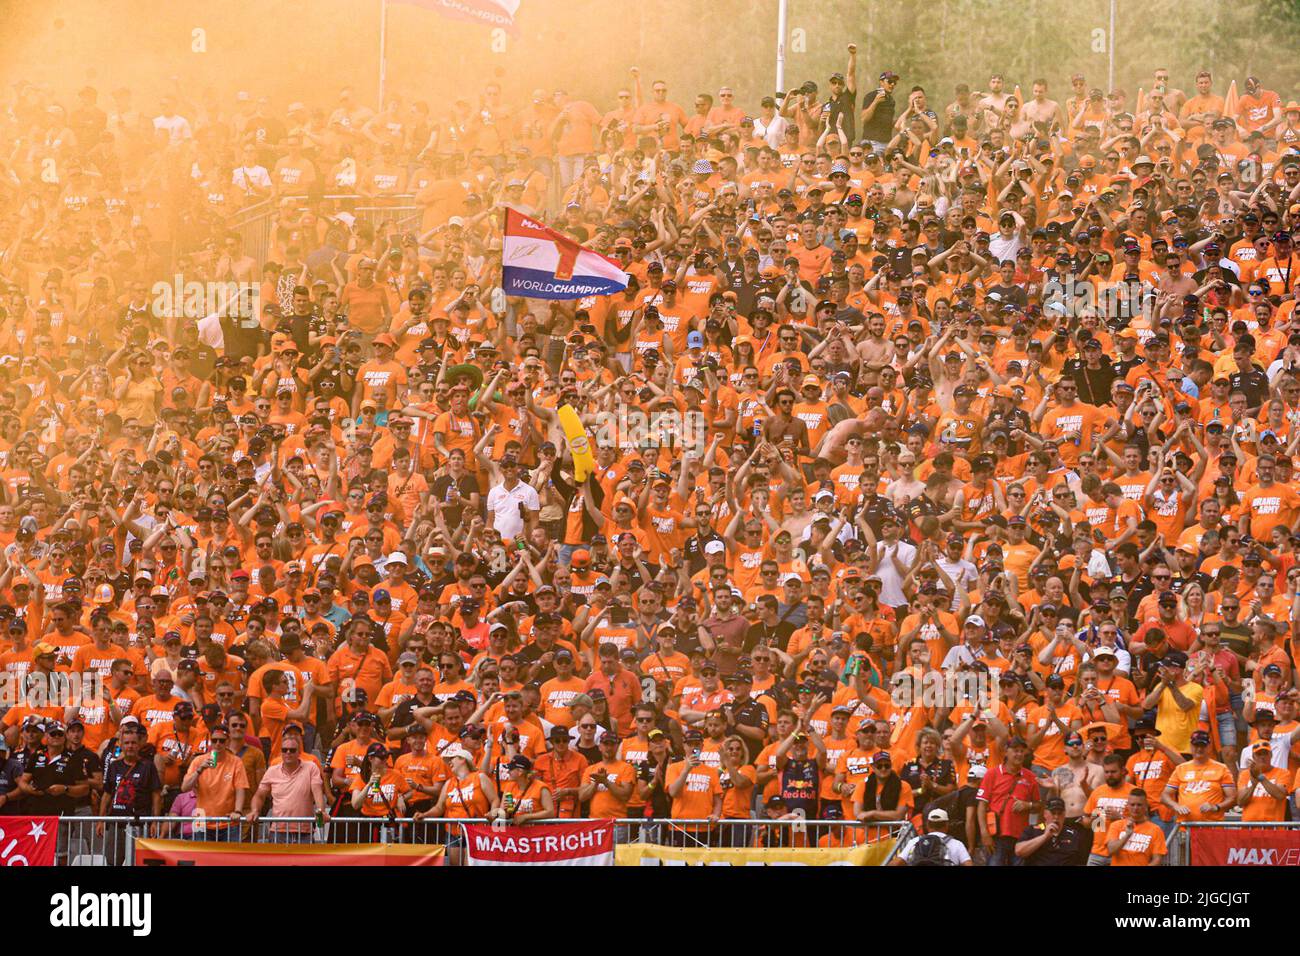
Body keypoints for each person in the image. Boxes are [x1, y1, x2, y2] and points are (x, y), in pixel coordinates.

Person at [249, 738, 330, 843]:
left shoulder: (311, 767)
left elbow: (317, 792)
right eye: (284, 750)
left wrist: (321, 811)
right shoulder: (272, 771)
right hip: (278, 831)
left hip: (304, 831)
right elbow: (259, 795)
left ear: (299, 752)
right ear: (281, 752)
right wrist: (255, 810)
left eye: (292, 750)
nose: (288, 752)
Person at [179, 724, 250, 841]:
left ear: (227, 742)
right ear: (209, 742)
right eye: (214, 740)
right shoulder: (199, 761)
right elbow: (184, 788)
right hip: (201, 820)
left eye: (221, 741)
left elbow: (240, 788)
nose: (217, 743)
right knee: (201, 858)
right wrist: (199, 770)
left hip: (228, 822)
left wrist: (237, 811)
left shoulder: (236, 762)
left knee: (230, 857)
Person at [1014, 795, 1090, 866]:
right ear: (1045, 814)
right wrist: (1045, 836)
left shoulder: (1073, 834)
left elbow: (1082, 861)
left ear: (1064, 815)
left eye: (1059, 813)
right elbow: (1019, 851)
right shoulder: (1033, 830)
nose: (1056, 817)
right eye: (1053, 813)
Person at [892, 807, 973, 866]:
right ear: (947, 825)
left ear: (927, 825)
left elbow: (896, 863)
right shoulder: (957, 844)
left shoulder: (915, 841)